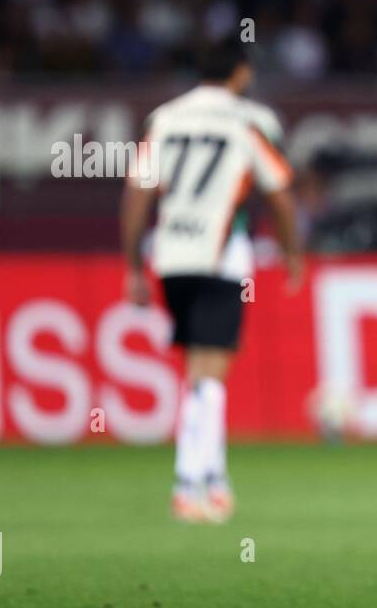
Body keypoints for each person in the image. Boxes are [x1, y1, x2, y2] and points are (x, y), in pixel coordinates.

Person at [120, 39, 303, 523]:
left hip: (170, 253)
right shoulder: (250, 122)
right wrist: (291, 255)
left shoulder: (164, 118)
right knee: (212, 372)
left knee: (197, 368)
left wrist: (133, 267)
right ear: (241, 74)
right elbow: (280, 192)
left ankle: (210, 478)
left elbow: (138, 193)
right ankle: (193, 483)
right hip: (222, 252)